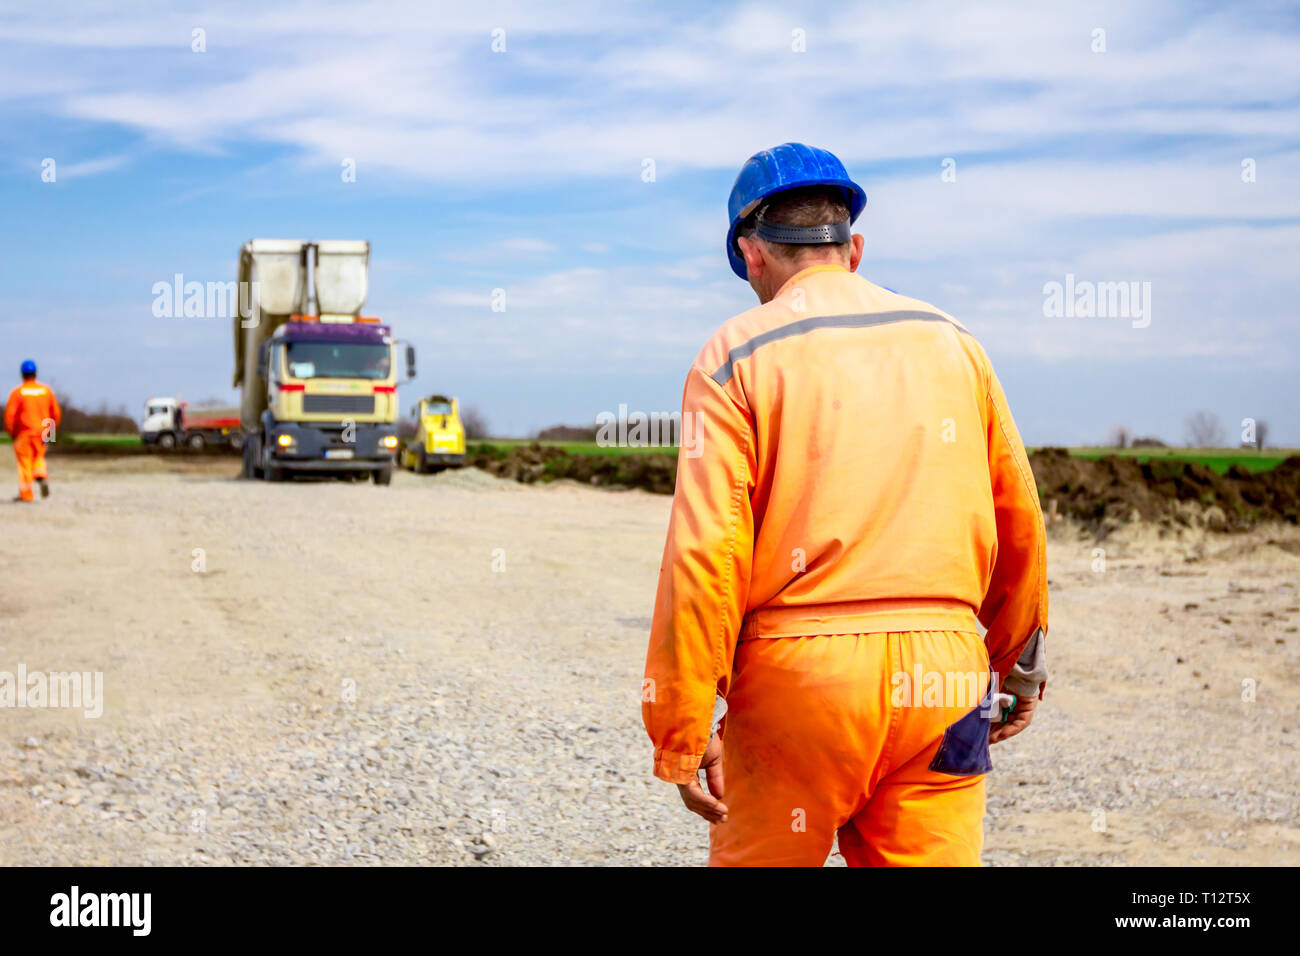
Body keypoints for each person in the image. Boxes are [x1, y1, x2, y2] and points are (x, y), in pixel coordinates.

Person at [641, 143, 1048, 866]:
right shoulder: (954, 343)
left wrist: (685, 719)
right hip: (945, 678)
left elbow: (708, 552)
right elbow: (1018, 514)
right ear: (852, 248)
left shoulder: (734, 354)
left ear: (751, 253)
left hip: (799, 683)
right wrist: (1019, 661)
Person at [5, 360, 61, 503]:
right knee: (38, 458)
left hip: (23, 432)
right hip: (43, 431)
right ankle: (41, 476)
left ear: (22, 375)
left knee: (24, 462)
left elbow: (10, 415)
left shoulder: (18, 392)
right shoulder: (46, 391)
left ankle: (26, 494)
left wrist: (12, 432)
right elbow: (55, 413)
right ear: (35, 374)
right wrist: (50, 433)